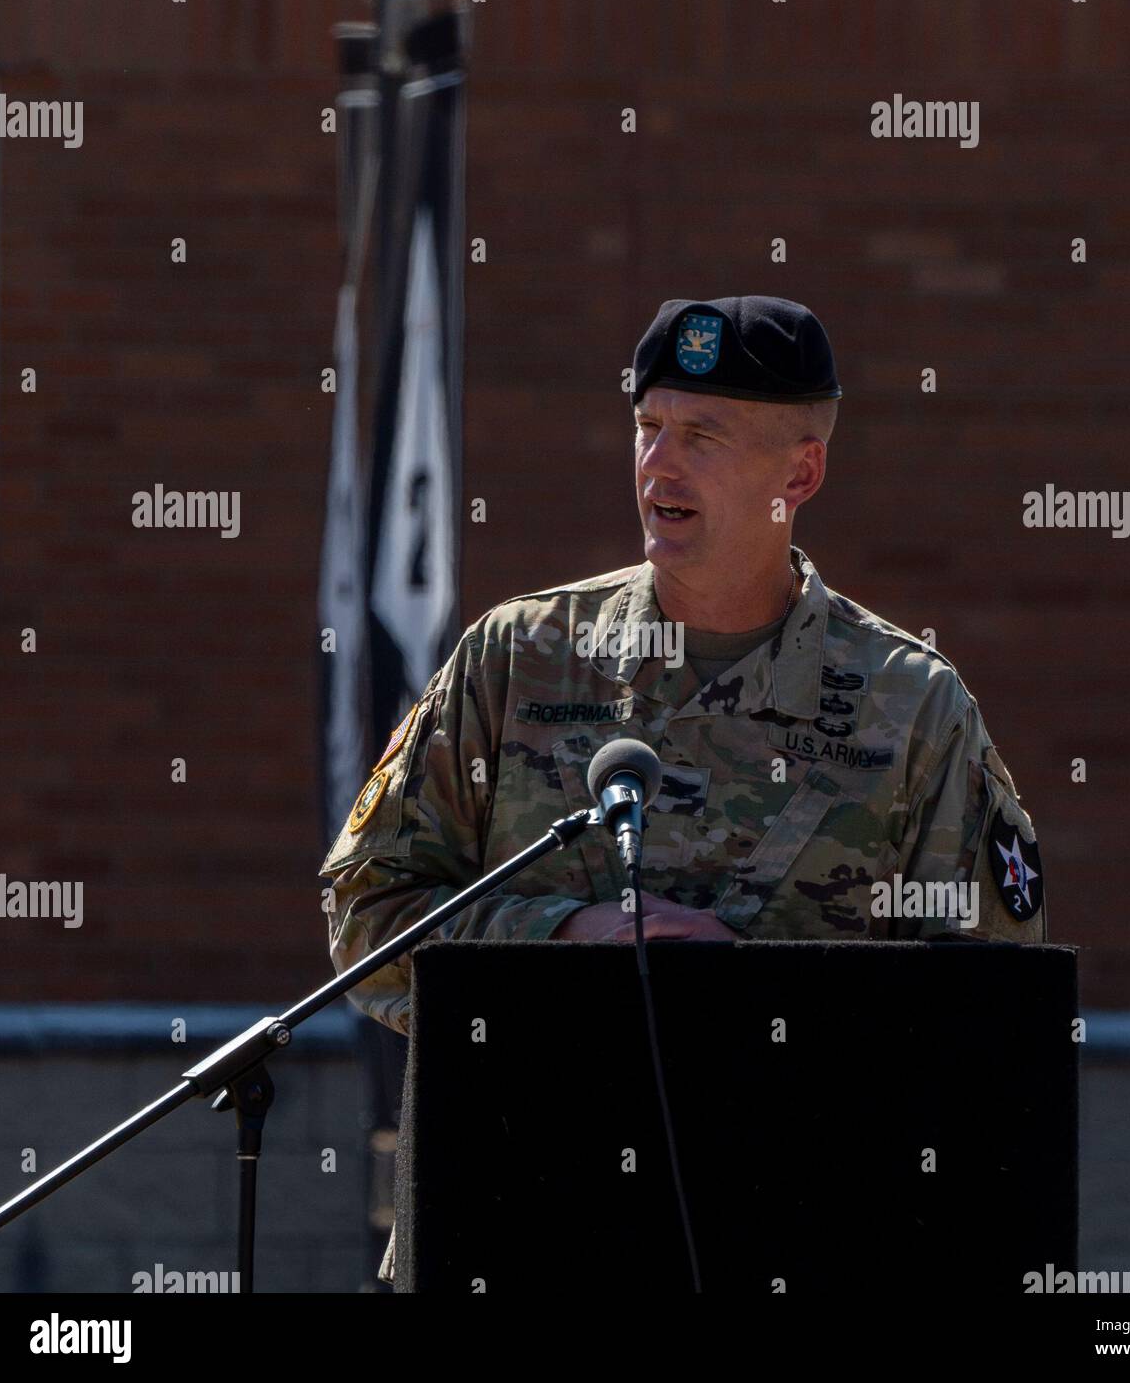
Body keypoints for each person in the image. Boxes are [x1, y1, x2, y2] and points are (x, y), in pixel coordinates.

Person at [320, 295, 1047, 1281]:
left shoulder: (910, 710)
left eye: (701, 435)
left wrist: (751, 1000)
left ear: (800, 472)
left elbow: (986, 1031)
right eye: (647, 428)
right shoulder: (520, 661)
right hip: (515, 1231)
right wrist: (565, 938)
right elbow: (369, 913)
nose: (659, 463)